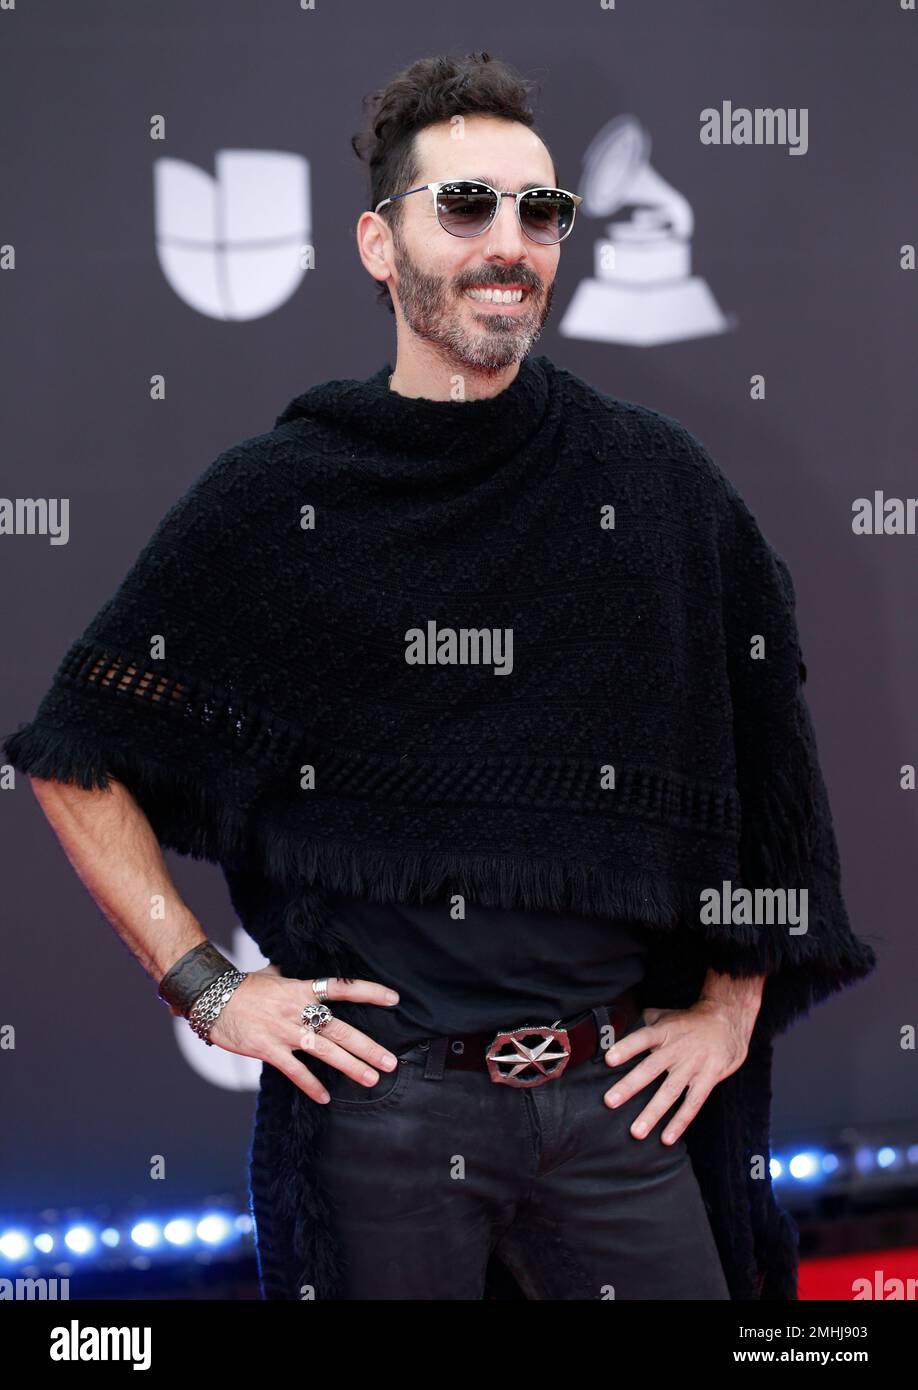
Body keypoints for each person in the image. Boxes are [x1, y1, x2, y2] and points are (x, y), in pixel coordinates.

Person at [3, 51, 876, 1301]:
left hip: (621, 1117)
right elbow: (74, 755)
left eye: (541, 210)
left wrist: (733, 1007)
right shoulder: (279, 498)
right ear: (378, 242)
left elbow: (770, 760)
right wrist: (210, 989)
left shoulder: (657, 483)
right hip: (385, 1124)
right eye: (466, 206)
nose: (509, 242)